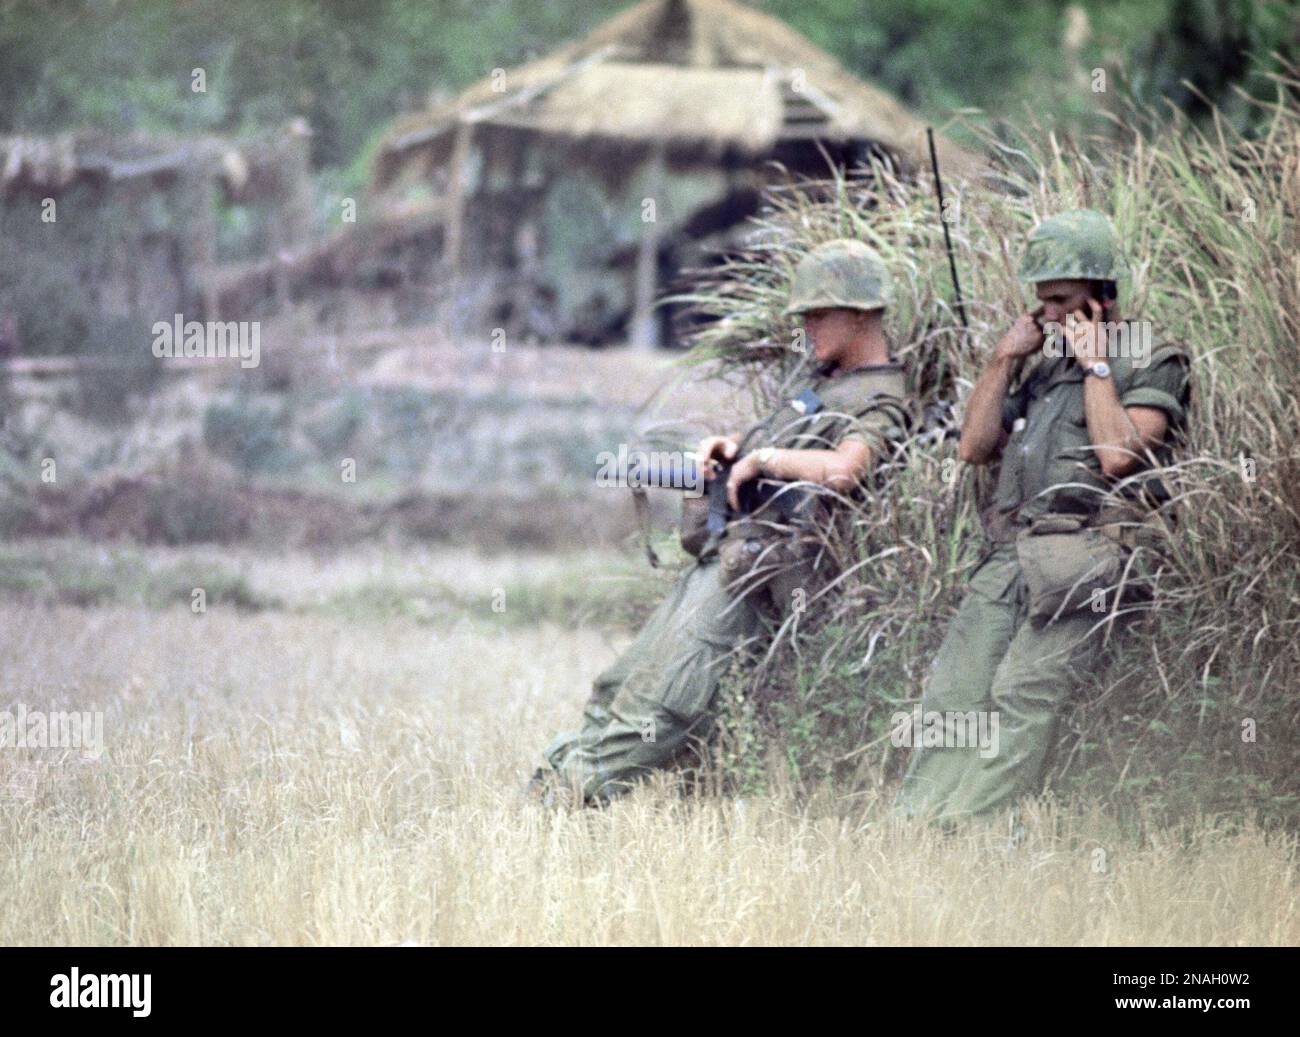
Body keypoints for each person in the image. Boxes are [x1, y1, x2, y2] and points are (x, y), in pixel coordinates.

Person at [529, 239, 914, 805]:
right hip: (724, 558)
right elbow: (787, 443)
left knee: (659, 709)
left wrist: (764, 461)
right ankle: (552, 796)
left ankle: (562, 801)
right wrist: (735, 449)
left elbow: (844, 469)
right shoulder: (821, 385)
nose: (805, 325)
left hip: (758, 578)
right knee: (617, 690)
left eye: (816, 313)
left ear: (860, 313)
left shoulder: (880, 395)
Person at [895, 209, 1192, 821]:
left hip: (1089, 554)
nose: (1049, 316)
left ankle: (964, 830)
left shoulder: (1154, 358)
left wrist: (1097, 365)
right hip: (1014, 554)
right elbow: (974, 448)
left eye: (1062, 302)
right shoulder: (1041, 366)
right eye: (1041, 303)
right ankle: (913, 824)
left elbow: (1117, 455)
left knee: (1021, 692)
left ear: (1104, 300)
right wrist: (1004, 360)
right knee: (953, 695)